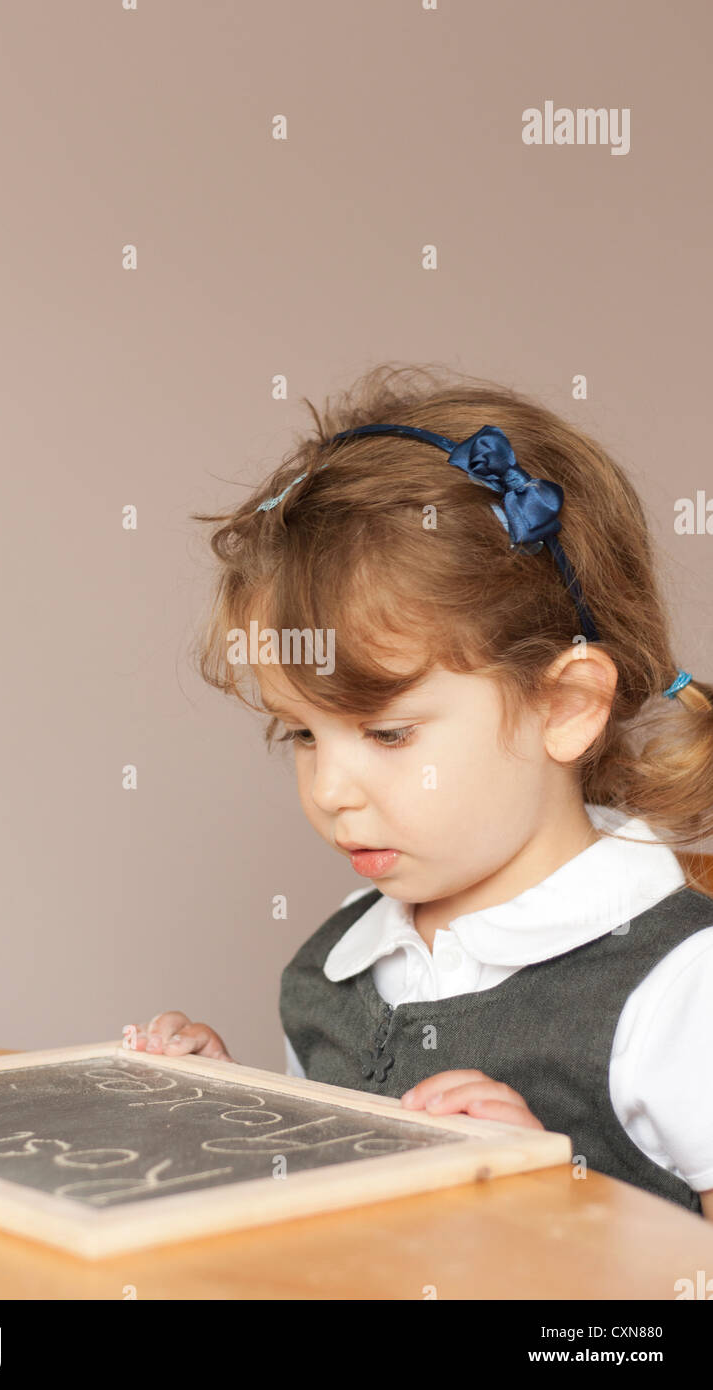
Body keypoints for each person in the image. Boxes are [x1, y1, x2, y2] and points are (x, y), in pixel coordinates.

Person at [131, 363, 713, 1217]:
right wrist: (238, 1117)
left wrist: (560, 1204)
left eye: (388, 734)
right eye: (302, 735)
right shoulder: (333, 967)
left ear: (564, 707)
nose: (331, 790)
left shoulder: (679, 982)